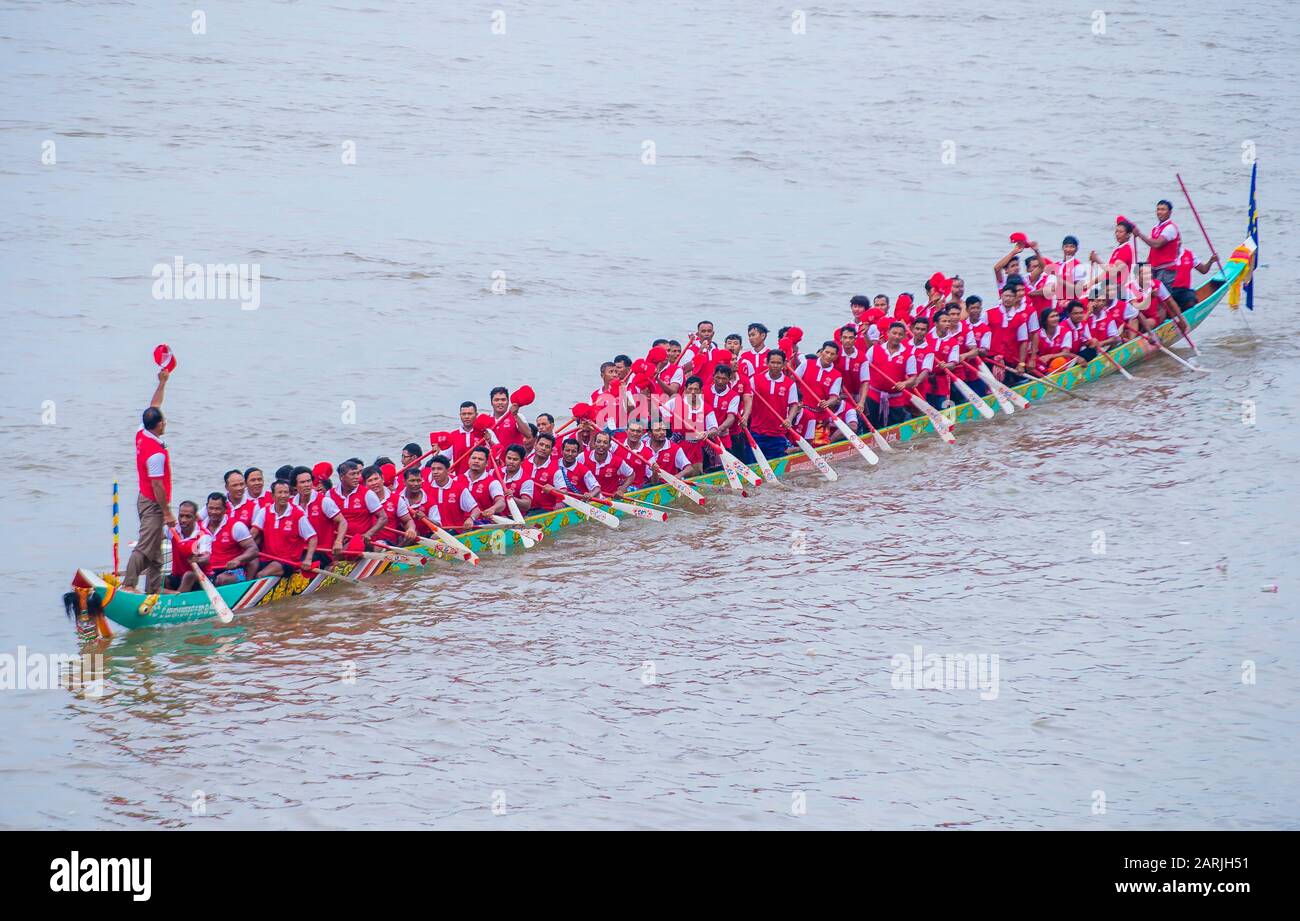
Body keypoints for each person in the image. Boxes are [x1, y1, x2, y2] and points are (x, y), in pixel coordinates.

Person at [123, 367, 175, 593]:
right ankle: (129, 584)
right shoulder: (156, 454)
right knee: (145, 547)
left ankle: (154, 590)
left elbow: (154, 405)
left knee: (155, 550)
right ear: (160, 425)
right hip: (153, 503)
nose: (165, 422)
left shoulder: (142, 432)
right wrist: (166, 512)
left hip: (144, 498)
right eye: (164, 421)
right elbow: (157, 485)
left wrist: (162, 383)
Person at [251, 479, 319, 577]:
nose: (283, 495)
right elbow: (253, 533)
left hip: (288, 561)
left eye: (286, 492)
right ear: (273, 496)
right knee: (249, 566)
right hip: (266, 558)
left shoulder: (297, 514)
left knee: (261, 575)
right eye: (280, 492)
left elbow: (312, 538)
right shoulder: (264, 512)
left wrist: (308, 559)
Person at [747, 350, 800, 457]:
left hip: (778, 434)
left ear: (784, 364)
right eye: (772, 362)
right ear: (767, 362)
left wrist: (789, 419)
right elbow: (747, 399)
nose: (775, 366)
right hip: (756, 432)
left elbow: (794, 404)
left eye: (778, 363)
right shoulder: (755, 380)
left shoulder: (790, 383)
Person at [863, 321, 911, 428]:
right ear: (888, 333)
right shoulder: (874, 349)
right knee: (869, 427)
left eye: (900, 334)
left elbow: (913, 378)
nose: (896, 336)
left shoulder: (908, 354)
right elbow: (864, 371)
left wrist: (905, 383)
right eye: (894, 333)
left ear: (903, 336)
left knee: (894, 429)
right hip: (873, 397)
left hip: (895, 400)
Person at [1131, 199, 1181, 290]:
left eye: (1163, 209)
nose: (1160, 212)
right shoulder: (1156, 227)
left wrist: (1139, 234)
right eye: (1158, 209)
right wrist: (1147, 263)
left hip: (1165, 270)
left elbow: (1157, 244)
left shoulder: (1170, 228)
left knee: (1161, 296)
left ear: (1169, 212)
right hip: (1155, 268)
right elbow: (1152, 248)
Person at [163, 501, 209, 592]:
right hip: (178, 576)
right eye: (181, 516)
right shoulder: (172, 530)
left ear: (195, 518)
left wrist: (198, 560)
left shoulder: (203, 535)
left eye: (188, 516)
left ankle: (176, 600)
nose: (183, 520)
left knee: (188, 575)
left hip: (200, 578)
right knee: (160, 579)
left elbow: (206, 558)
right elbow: (155, 538)